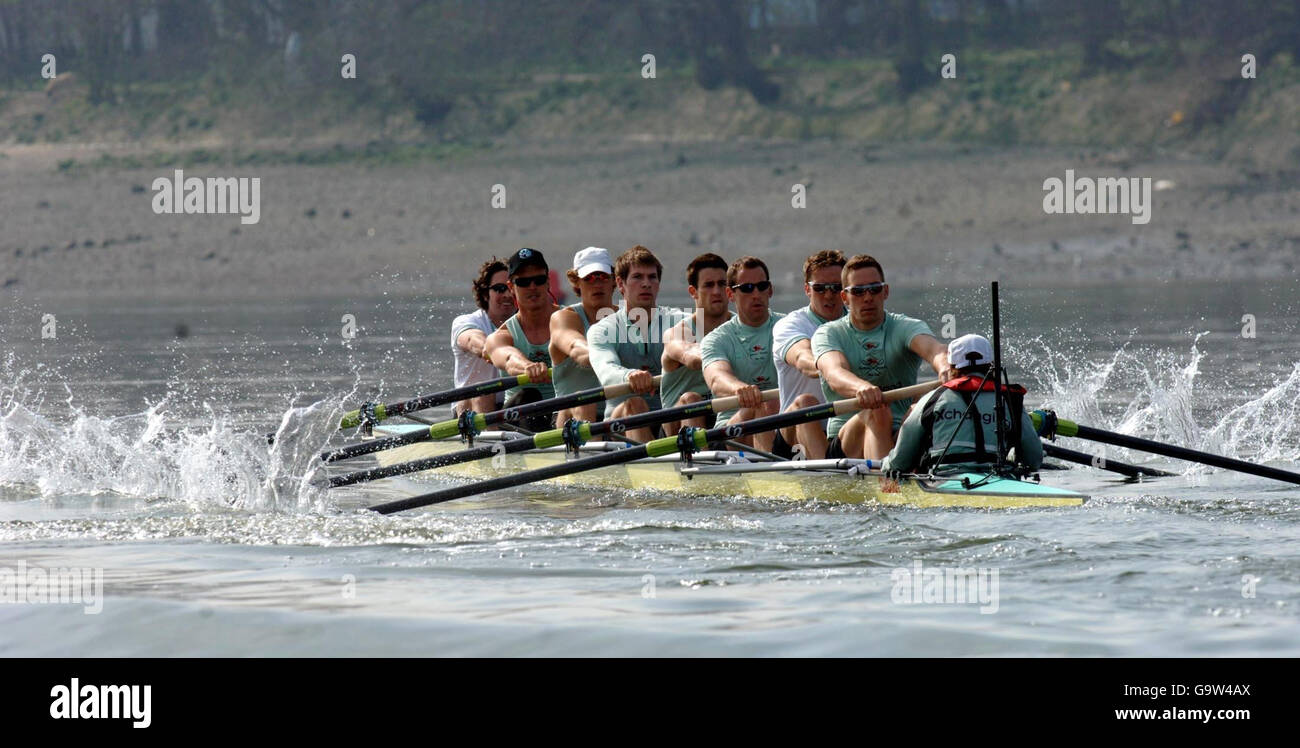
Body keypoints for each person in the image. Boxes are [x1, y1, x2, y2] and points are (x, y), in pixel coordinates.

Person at [812, 254, 955, 460]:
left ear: (885, 291)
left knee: (924, 408)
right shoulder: (829, 333)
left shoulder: (906, 326)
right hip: (847, 442)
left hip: (899, 436)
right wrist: (861, 388)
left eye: (874, 289)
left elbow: (936, 350)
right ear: (845, 297)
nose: (868, 297)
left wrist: (945, 368)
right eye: (858, 291)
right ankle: (887, 487)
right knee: (878, 412)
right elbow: (835, 373)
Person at [881, 334, 1043, 474]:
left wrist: (886, 464)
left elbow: (900, 462)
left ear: (952, 367)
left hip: (943, 480)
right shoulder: (1010, 401)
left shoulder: (933, 399)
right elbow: (1034, 459)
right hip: (999, 478)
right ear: (990, 366)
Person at [587, 245, 684, 442]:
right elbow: (606, 371)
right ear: (620, 284)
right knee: (635, 404)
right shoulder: (603, 329)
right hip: (621, 422)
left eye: (652, 277)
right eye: (638, 277)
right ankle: (649, 467)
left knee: (689, 401)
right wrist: (629, 375)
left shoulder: (681, 322)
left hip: (669, 420)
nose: (646, 284)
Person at [700, 256, 784, 452]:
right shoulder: (717, 339)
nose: (756, 294)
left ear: (770, 290)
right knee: (764, 404)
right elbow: (716, 378)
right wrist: (740, 389)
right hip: (731, 431)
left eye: (761, 286)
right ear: (730, 294)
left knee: (771, 404)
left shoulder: (787, 327)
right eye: (747, 288)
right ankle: (770, 471)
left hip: (783, 424)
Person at [771, 250, 846, 460]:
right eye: (820, 288)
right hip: (794, 434)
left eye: (836, 287)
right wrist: (834, 370)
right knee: (805, 402)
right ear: (807, 289)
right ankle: (831, 483)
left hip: (842, 430)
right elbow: (803, 359)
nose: (829, 295)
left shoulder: (859, 323)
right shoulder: (791, 325)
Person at [484, 247, 560, 432]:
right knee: (529, 395)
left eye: (539, 280)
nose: (532, 287)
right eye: (524, 282)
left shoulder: (571, 320)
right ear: (511, 287)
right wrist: (527, 367)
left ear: (548, 282)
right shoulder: (502, 335)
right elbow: (508, 358)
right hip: (519, 421)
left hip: (562, 414)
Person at [660, 253, 731, 436]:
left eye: (722, 284)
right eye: (708, 285)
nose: (717, 291)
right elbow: (690, 356)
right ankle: (701, 461)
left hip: (725, 414)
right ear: (693, 292)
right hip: (678, 424)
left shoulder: (740, 327)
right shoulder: (677, 334)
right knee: (691, 400)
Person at [549, 247, 617, 426]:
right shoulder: (564, 318)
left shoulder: (629, 318)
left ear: (614, 281)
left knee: (635, 405)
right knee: (584, 401)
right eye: (588, 278)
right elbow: (575, 349)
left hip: (615, 416)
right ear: (576, 283)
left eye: (603, 277)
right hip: (570, 418)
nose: (597, 284)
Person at [450, 258, 516, 415]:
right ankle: (488, 437)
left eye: (511, 288)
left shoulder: (526, 324)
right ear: (486, 294)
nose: (507, 294)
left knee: (531, 395)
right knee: (483, 391)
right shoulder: (467, 321)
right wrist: (492, 350)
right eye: (500, 288)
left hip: (510, 407)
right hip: (471, 408)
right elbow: (473, 340)